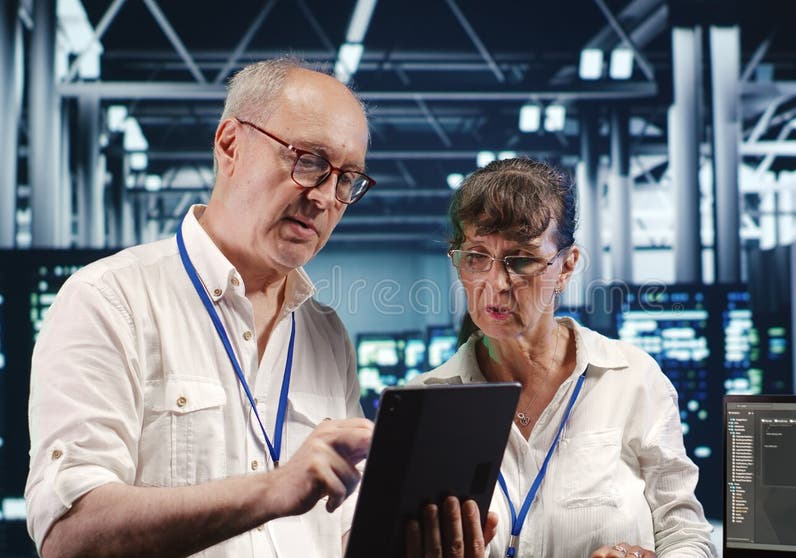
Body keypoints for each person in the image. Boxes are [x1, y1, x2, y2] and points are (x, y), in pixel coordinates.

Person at [25, 58, 376, 558]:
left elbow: (339, 531)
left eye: (347, 179)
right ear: (230, 144)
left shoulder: (326, 333)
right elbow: (68, 534)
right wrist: (272, 490)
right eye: (309, 161)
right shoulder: (111, 300)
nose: (324, 197)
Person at [408, 158, 717, 558]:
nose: (496, 284)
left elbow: (687, 534)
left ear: (567, 266)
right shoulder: (426, 403)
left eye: (521, 260)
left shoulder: (630, 379)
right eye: (476, 257)